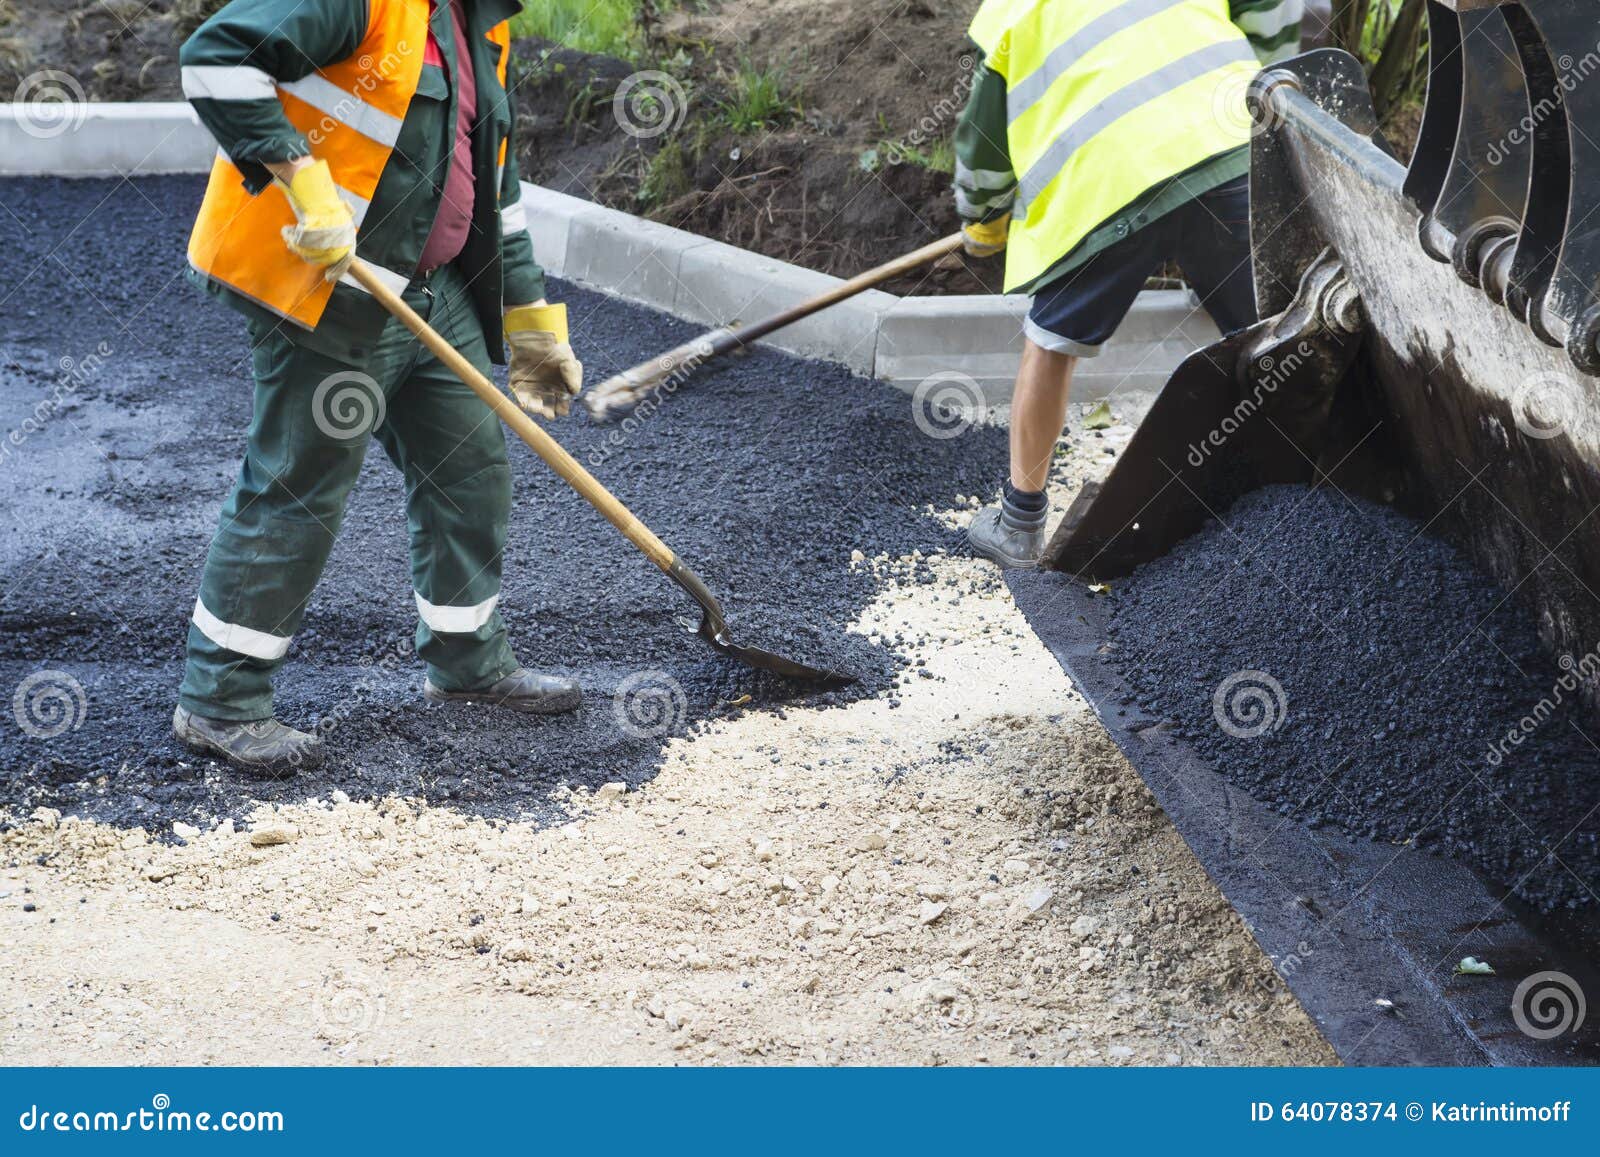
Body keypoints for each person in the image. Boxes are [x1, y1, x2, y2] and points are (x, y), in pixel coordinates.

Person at [173, 0, 585, 771]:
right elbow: (215, 58)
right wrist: (301, 177)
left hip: (432, 292)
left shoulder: (482, 26)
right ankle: (219, 701)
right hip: (332, 292)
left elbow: (495, 182)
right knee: (299, 484)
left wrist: (529, 318)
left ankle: (469, 664)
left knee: (471, 473)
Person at [955, 0, 1303, 569]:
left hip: (1106, 181)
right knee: (1274, 333)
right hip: (1228, 146)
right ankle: (1304, 500)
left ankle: (1018, 527)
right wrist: (1258, 94)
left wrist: (983, 229)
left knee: (1050, 343)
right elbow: (1270, 14)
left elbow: (984, 151)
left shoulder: (1009, 14)